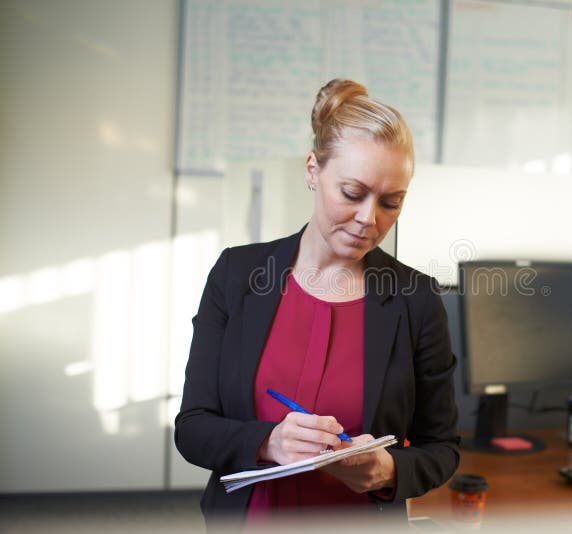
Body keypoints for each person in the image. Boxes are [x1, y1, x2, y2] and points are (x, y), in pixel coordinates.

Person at [174, 79, 460, 529]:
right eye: (352, 193)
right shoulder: (237, 275)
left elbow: (442, 447)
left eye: (391, 202)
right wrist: (268, 441)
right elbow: (192, 427)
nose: (370, 218)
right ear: (312, 170)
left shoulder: (416, 299)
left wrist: (387, 471)